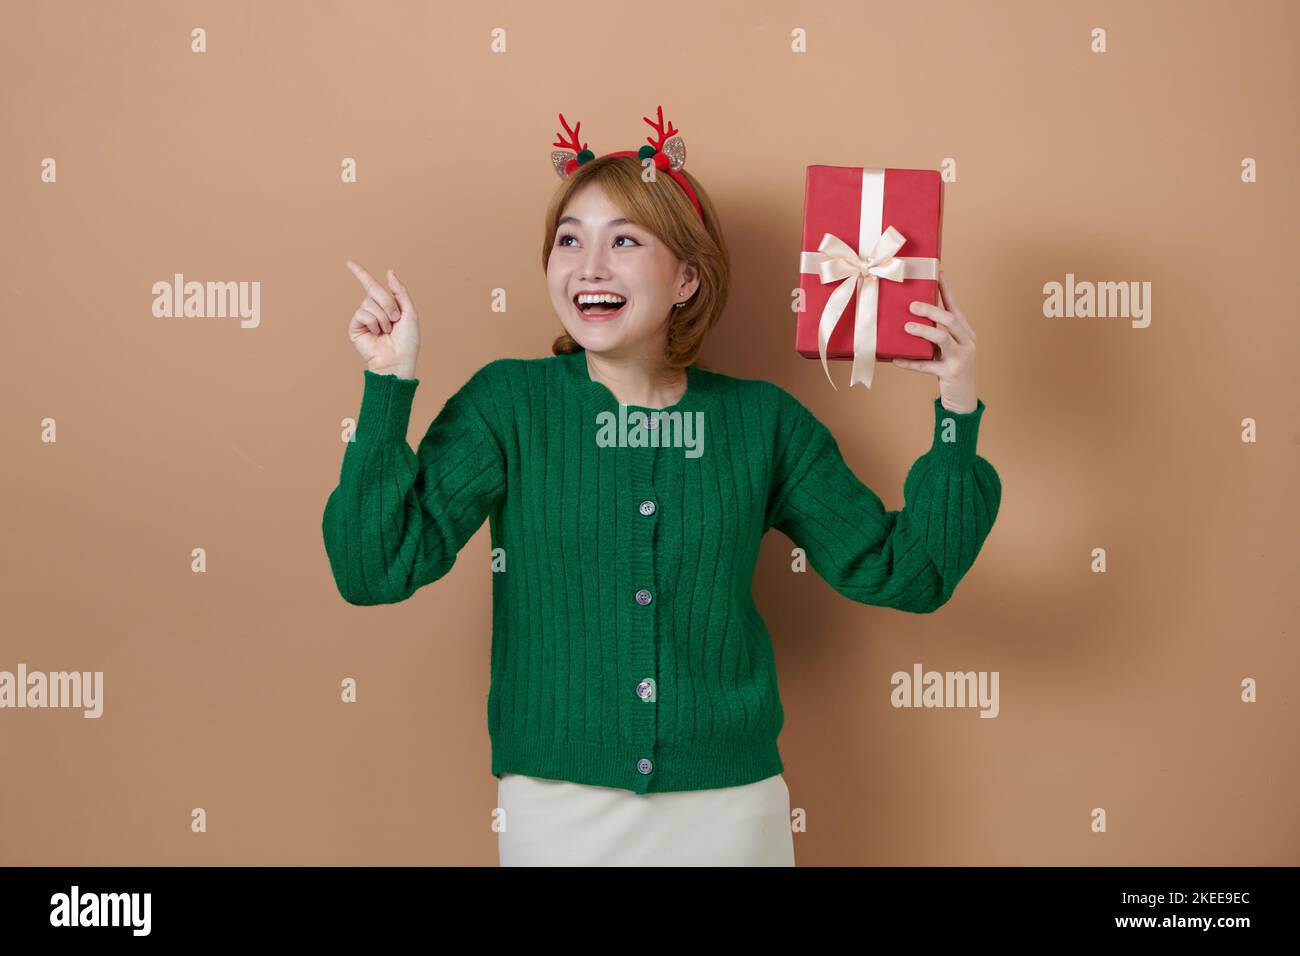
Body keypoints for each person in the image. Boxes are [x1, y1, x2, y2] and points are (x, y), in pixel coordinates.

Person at [322, 106, 1001, 866]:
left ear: (686, 276)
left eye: (624, 242)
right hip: (556, 809)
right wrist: (387, 388)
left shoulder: (763, 423)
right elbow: (372, 567)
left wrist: (956, 409)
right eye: (569, 240)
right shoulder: (508, 406)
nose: (589, 267)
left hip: (728, 811)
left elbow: (907, 571)